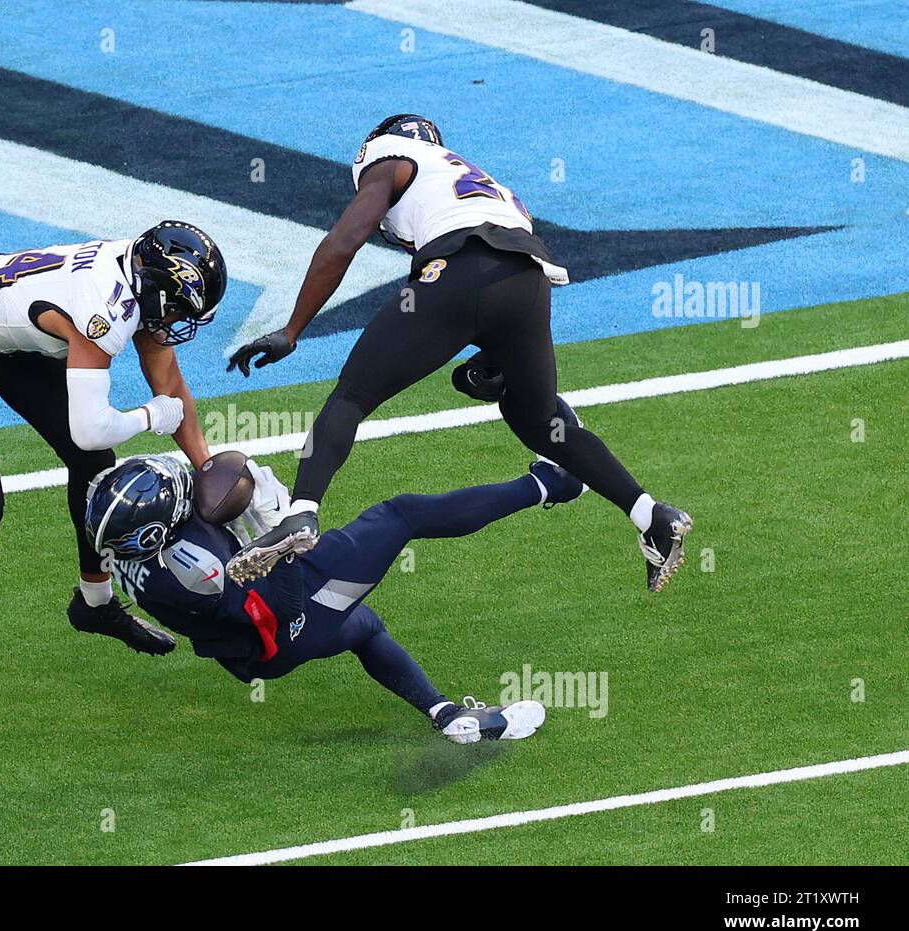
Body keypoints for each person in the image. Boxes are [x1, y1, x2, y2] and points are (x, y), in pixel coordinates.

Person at [225, 114, 691, 593]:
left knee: (353, 395)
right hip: (527, 281)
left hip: (461, 267)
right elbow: (494, 285)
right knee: (538, 419)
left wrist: (293, 328)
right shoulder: (481, 182)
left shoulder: (390, 157)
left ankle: (301, 514)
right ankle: (650, 514)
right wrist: (491, 362)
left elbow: (344, 240)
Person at [84, 451, 590, 743]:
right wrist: (276, 530)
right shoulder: (199, 572)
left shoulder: (123, 546)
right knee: (401, 515)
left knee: (365, 628)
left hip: (250, 656)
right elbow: (282, 606)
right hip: (286, 615)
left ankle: (447, 714)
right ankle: (551, 483)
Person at [0, 221, 226, 651]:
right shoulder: (103, 308)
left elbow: (168, 382)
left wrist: (206, 468)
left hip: (13, 340)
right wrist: (151, 417)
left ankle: (94, 602)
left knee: (93, 468)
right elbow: (91, 429)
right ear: (155, 288)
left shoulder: (139, 272)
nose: (177, 323)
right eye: (178, 310)